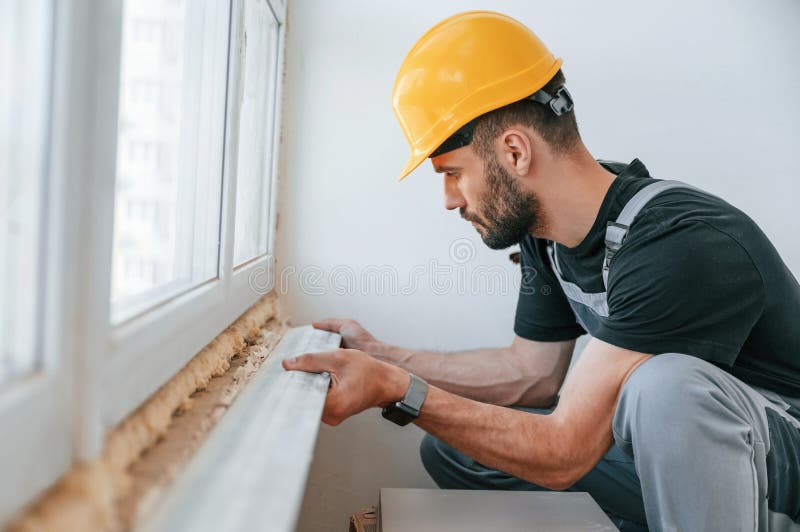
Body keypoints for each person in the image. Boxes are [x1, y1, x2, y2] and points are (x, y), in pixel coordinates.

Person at [283, 11, 800, 531]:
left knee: (664, 386)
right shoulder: (547, 236)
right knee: (457, 450)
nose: (448, 200)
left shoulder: (678, 242)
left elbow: (566, 451)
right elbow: (529, 374)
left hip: (773, 472)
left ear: (514, 151)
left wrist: (399, 389)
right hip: (671, 457)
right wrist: (377, 355)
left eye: (453, 173)